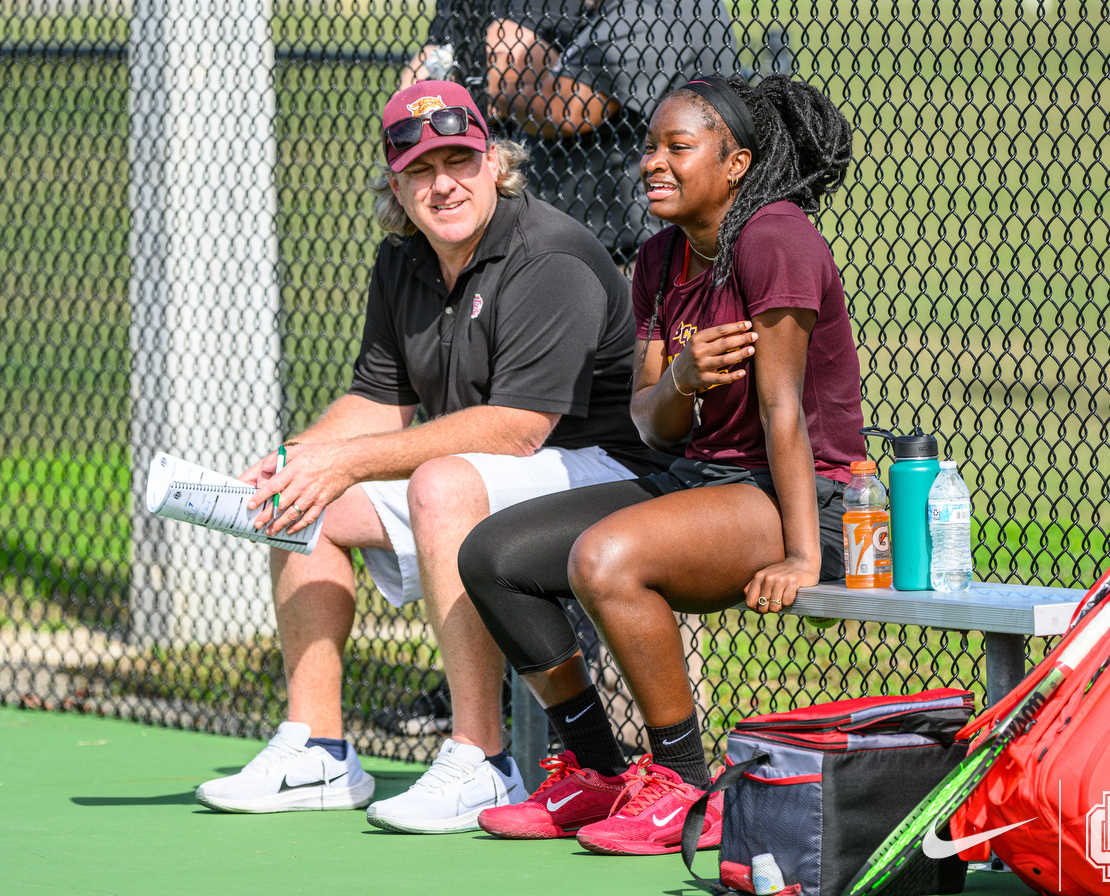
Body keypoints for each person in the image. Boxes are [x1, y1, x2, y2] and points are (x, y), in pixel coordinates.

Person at [193, 80, 671, 832]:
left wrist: (348, 461)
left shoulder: (552, 255)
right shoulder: (403, 262)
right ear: (396, 184)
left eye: (459, 161)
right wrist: (299, 457)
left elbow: (519, 428)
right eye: (421, 169)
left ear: (494, 163)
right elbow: (379, 401)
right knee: (309, 499)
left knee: (441, 485)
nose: (443, 183)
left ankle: (483, 760)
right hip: (511, 465)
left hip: (610, 472)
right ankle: (316, 748)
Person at [457, 73, 866, 855]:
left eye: (677, 147)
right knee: (495, 555)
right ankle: (596, 771)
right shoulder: (658, 258)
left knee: (605, 557)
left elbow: (786, 412)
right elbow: (652, 422)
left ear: (736, 162)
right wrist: (682, 377)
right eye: (649, 146)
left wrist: (803, 554)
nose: (653, 163)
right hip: (704, 480)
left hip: (809, 498)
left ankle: (684, 786)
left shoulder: (775, 237)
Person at [401, 0, 737, 261]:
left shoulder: (651, 10)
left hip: (636, 243)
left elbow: (569, 108)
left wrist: (486, 89)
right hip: (607, 236)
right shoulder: (610, 13)